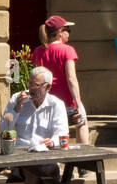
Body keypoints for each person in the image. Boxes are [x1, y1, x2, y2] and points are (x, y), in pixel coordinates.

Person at [0, 66, 68, 184]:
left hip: (45, 155)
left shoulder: (56, 105)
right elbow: (2, 131)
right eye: (30, 83)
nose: (31, 88)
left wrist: (53, 140)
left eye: (36, 85)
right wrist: (16, 108)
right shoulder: (17, 99)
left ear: (48, 87)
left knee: (53, 178)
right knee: (33, 170)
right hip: (19, 157)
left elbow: (62, 134)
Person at [32, 14, 91, 146]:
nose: (69, 34)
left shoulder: (38, 51)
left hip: (47, 103)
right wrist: (78, 103)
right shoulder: (67, 50)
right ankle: (84, 161)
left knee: (50, 132)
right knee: (82, 123)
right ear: (60, 33)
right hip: (67, 102)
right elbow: (71, 79)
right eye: (67, 30)